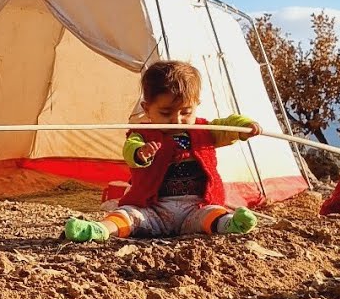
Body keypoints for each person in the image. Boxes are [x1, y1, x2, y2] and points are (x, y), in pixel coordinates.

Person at [64, 60, 261, 242]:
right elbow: (130, 149)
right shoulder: (142, 133)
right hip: (152, 210)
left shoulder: (205, 131)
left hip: (196, 209)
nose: (177, 120)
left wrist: (244, 127)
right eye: (165, 113)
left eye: (186, 112)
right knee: (126, 215)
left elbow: (227, 126)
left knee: (214, 213)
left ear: (196, 106)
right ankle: (100, 229)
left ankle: (230, 224)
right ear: (147, 108)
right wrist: (140, 152)